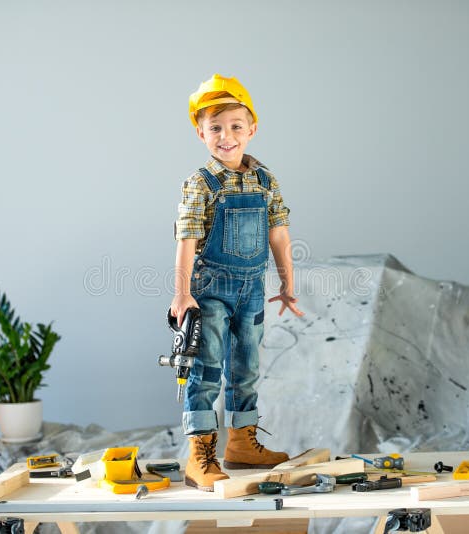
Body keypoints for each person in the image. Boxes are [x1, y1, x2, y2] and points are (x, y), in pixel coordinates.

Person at [170, 74, 304, 491]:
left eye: (234, 126)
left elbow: (279, 233)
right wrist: (182, 291)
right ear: (200, 132)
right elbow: (187, 237)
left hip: (250, 290)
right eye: (215, 128)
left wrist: (287, 283)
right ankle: (200, 455)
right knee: (206, 369)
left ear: (251, 129)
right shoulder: (201, 182)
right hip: (208, 292)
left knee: (246, 369)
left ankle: (243, 444)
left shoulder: (265, 180)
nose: (225, 136)